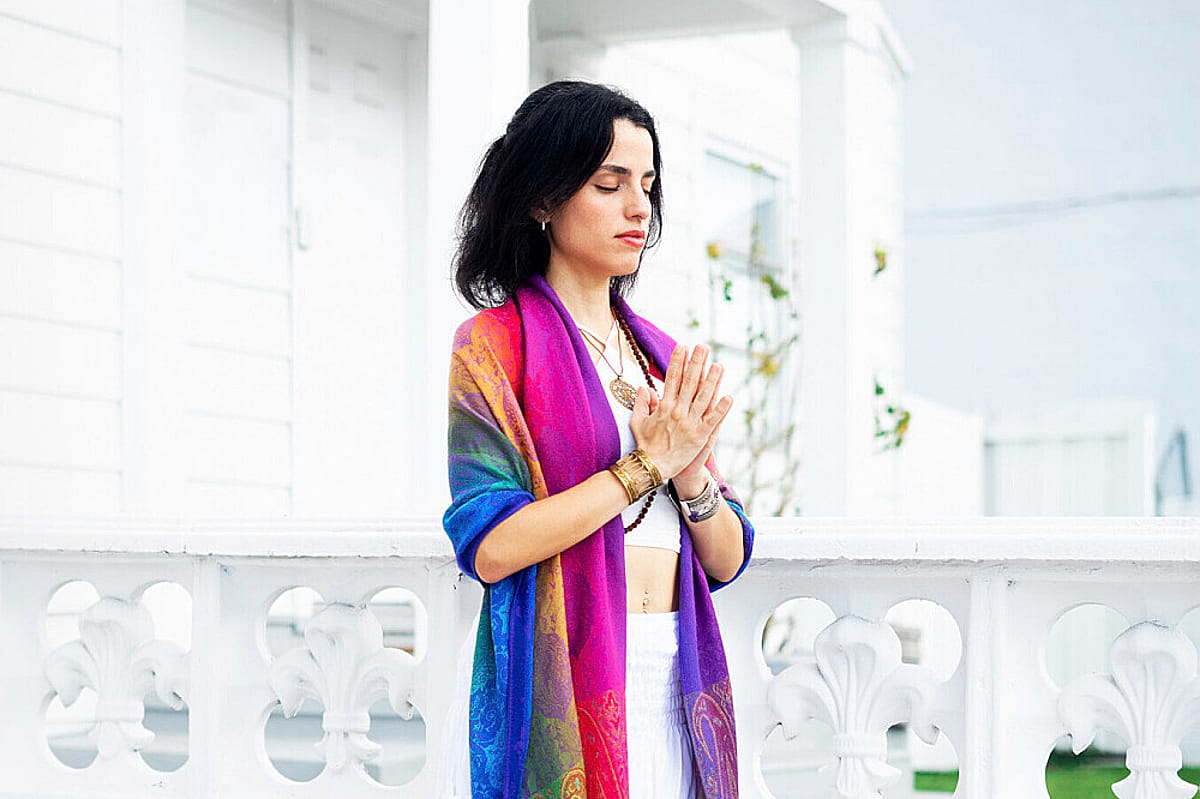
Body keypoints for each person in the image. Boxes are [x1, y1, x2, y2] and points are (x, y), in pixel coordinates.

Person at [443, 80, 755, 799]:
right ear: (541, 199)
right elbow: (492, 547)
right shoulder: (494, 347)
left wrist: (688, 476)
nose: (639, 207)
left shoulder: (661, 357)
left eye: (647, 184)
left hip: (675, 666)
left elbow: (728, 555)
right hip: (562, 674)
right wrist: (646, 465)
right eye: (609, 183)